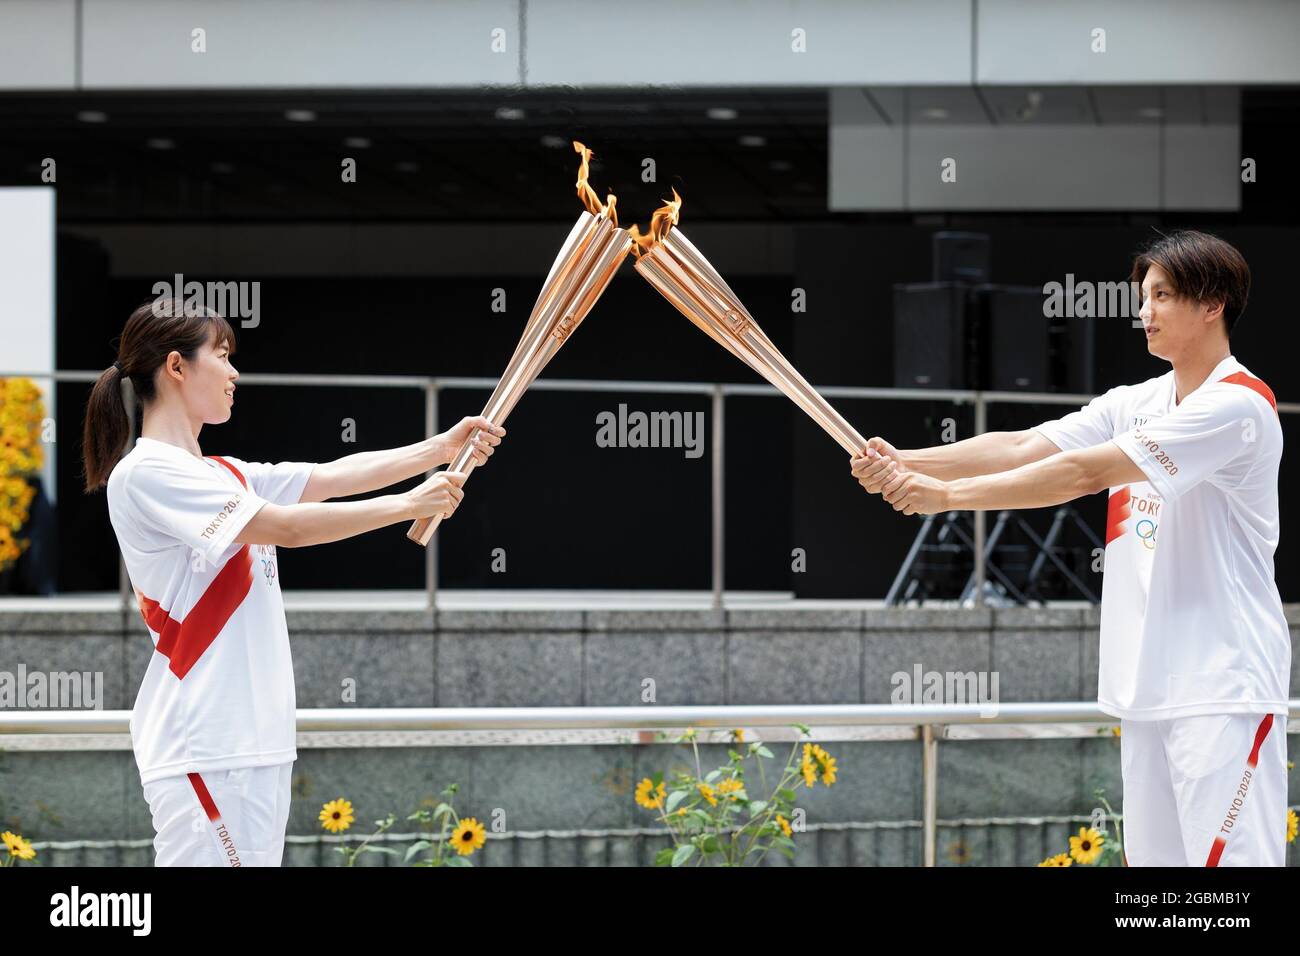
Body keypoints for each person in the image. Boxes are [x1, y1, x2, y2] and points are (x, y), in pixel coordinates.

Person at [850, 230, 1288, 866]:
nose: (1145, 311)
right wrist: (905, 462)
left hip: (1223, 689)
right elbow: (1027, 446)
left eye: (1162, 296)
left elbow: (1084, 473)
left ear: (1212, 302)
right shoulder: (1136, 402)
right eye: (1144, 296)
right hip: (1144, 689)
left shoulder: (1238, 408)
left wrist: (942, 497)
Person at [81, 298, 504, 866]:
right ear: (177, 367)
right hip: (204, 742)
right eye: (223, 356)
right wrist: (407, 504)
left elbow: (329, 477)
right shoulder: (146, 473)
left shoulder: (223, 473)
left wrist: (442, 447)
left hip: (254, 741)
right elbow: (284, 528)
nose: (234, 374)